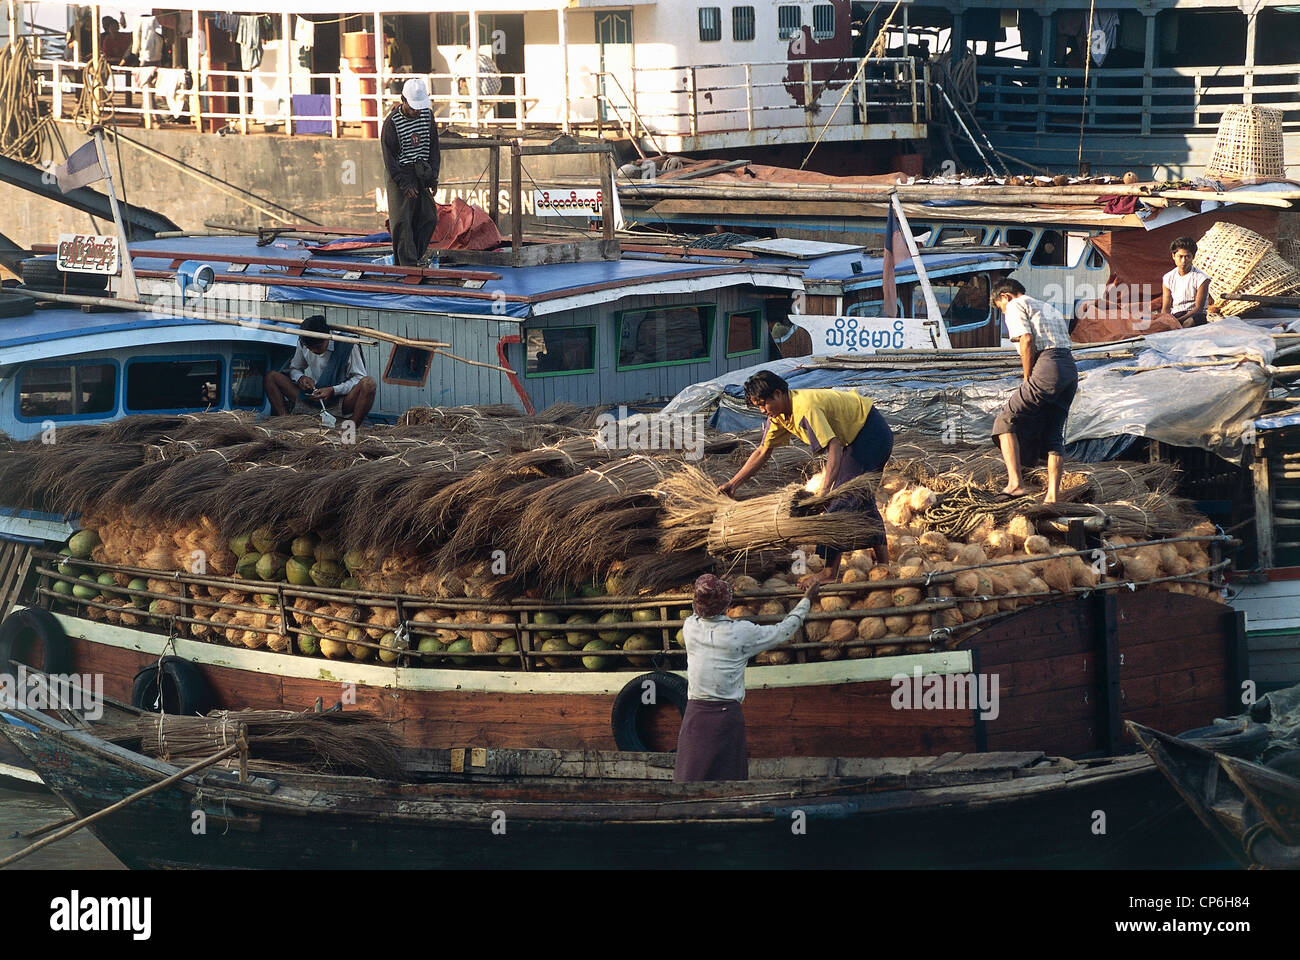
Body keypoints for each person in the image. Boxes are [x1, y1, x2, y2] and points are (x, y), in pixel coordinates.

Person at [718, 371, 893, 577]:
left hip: (870, 433)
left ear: (778, 393)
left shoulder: (805, 408)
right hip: (857, 438)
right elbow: (762, 451)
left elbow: (834, 447)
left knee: (839, 502)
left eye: (764, 404)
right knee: (861, 499)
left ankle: (829, 572)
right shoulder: (779, 416)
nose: (763, 410)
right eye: (758, 406)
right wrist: (733, 484)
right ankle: (885, 564)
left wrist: (825, 492)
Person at [674, 574, 818, 782]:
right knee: (728, 777)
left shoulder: (689, 627)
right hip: (726, 716)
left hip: (695, 714)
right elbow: (783, 631)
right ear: (726, 604)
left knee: (690, 775)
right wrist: (806, 600)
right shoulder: (741, 632)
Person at [990, 279, 1078, 503]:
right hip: (1069, 370)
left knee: (1005, 421)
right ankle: (1052, 496)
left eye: (1000, 307)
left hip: (1047, 367)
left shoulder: (1014, 305)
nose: (1003, 311)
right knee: (1052, 434)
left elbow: (1027, 340)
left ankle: (1015, 484)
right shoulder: (1049, 308)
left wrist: (1027, 377)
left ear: (1005, 297)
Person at [263, 315, 376, 428]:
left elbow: (358, 378)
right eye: (309, 348)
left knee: (369, 384)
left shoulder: (348, 345)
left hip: (341, 402)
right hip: (313, 398)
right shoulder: (303, 343)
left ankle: (351, 428)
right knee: (271, 377)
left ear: (327, 337)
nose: (313, 351)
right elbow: (295, 368)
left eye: (317, 347)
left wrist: (333, 390)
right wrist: (301, 378)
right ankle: (285, 420)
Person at [381, 77, 441, 266]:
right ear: (403, 100)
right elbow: (389, 159)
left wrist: (433, 177)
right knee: (402, 221)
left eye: (419, 107)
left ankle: (416, 255)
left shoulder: (427, 115)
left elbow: (433, 147)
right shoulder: (392, 123)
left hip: (420, 169)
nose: (416, 111)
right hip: (400, 171)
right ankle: (407, 264)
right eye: (413, 107)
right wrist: (404, 184)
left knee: (429, 216)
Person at [1156, 236, 1211, 328]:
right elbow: (1166, 307)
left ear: (1193, 257)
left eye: (1187, 257)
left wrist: (1178, 321)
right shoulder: (1168, 277)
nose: (1183, 261)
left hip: (1195, 315)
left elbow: (1198, 308)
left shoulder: (1202, 278)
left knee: (1189, 323)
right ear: (1173, 256)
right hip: (1176, 314)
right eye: (1180, 256)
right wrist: (1166, 320)